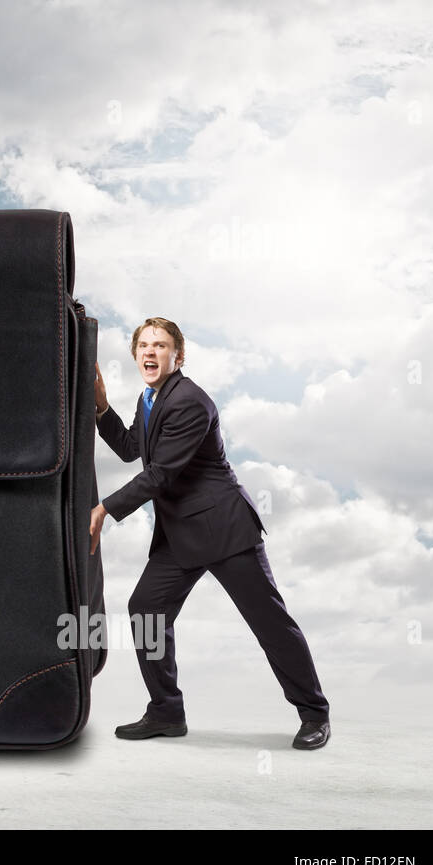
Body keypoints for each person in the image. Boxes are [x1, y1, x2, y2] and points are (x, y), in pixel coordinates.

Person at [89, 317, 330, 750]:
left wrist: (105, 508)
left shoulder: (189, 401)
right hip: (181, 535)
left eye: (160, 345)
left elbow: (160, 474)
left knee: (270, 623)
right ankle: (166, 711)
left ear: (178, 356)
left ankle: (314, 713)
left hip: (224, 530)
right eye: (143, 345)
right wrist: (103, 410)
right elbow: (131, 449)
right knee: (146, 608)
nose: (150, 352)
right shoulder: (150, 398)